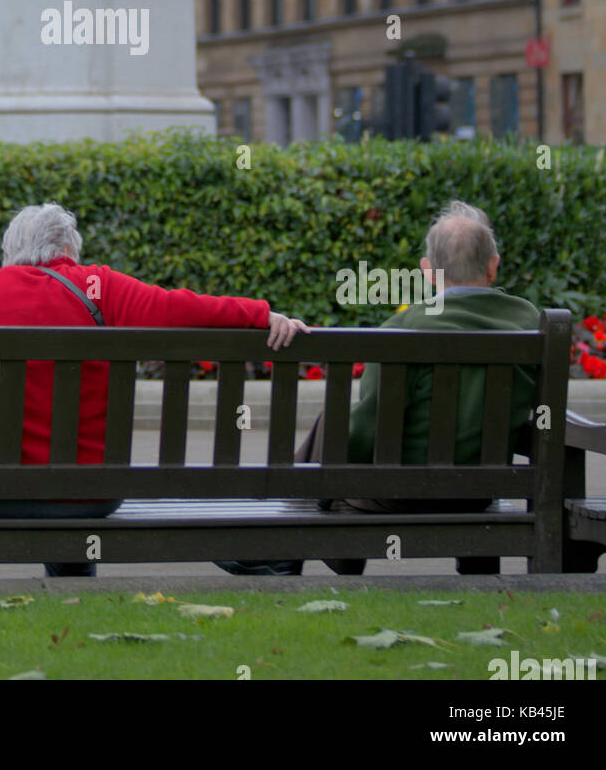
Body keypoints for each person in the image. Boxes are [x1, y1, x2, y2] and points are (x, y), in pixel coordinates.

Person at [0, 202, 309, 580]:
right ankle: (71, 585)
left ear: (11, 252)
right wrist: (260, 314)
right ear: (66, 250)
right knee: (72, 478)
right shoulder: (97, 287)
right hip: (87, 497)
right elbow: (180, 308)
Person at [218, 200, 541, 578]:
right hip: (478, 492)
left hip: (402, 495)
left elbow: (366, 430)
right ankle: (284, 546)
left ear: (427, 272)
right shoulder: (532, 325)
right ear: (493, 265)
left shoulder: (403, 331)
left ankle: (284, 550)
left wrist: (324, 455)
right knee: (332, 438)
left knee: (333, 438)